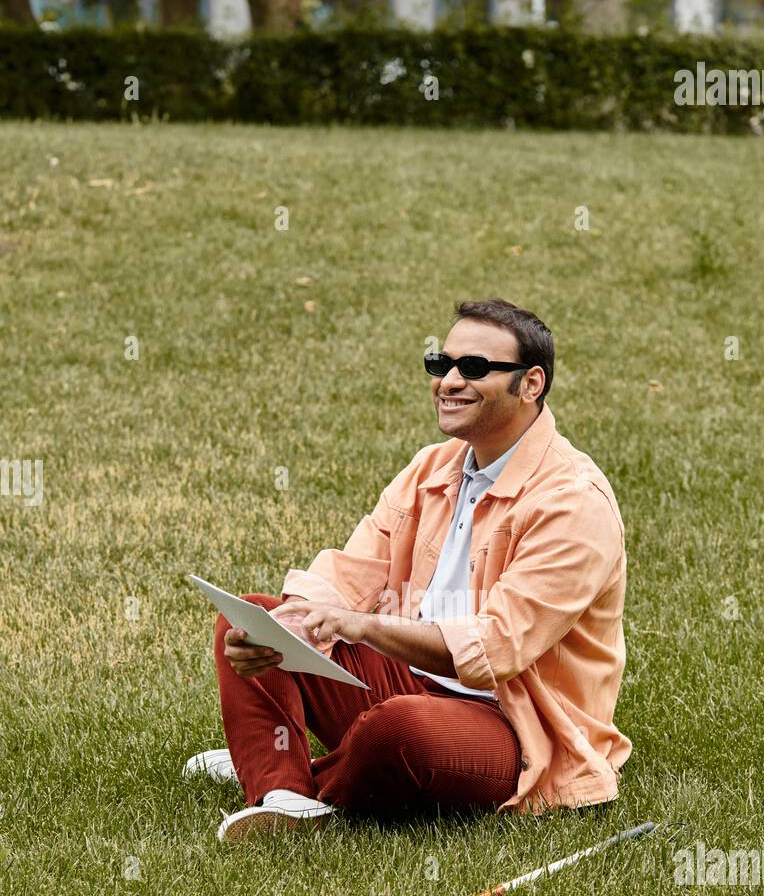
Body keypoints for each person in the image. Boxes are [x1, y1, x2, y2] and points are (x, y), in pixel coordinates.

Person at [184, 297, 632, 842]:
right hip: (409, 677)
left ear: (531, 384)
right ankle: (284, 796)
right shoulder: (433, 465)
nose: (449, 381)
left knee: (397, 729)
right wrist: (300, 620)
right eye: (440, 365)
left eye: (473, 368)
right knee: (250, 620)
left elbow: (494, 649)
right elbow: (353, 570)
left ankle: (283, 759)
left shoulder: (573, 502)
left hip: (510, 724)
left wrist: (362, 625)